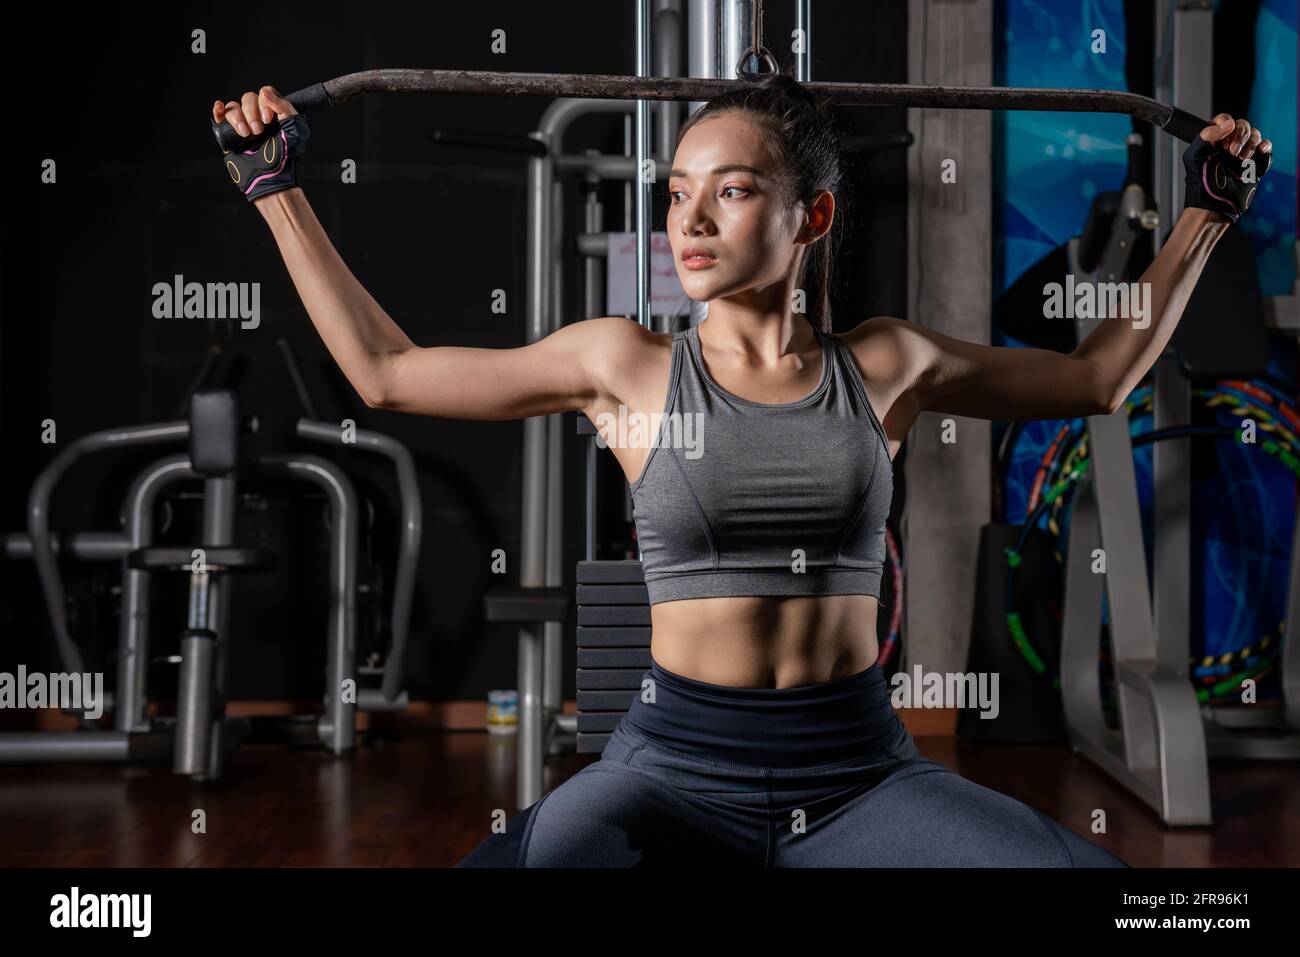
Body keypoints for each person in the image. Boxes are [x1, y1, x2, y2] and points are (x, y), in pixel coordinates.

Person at [212, 71, 1269, 867]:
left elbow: (1092, 380)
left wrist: (1205, 213)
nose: (693, 222)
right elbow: (386, 374)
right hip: (671, 770)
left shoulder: (888, 363)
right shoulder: (619, 364)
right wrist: (274, 191)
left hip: (858, 773)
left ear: (810, 216)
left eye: (731, 191)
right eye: (678, 195)